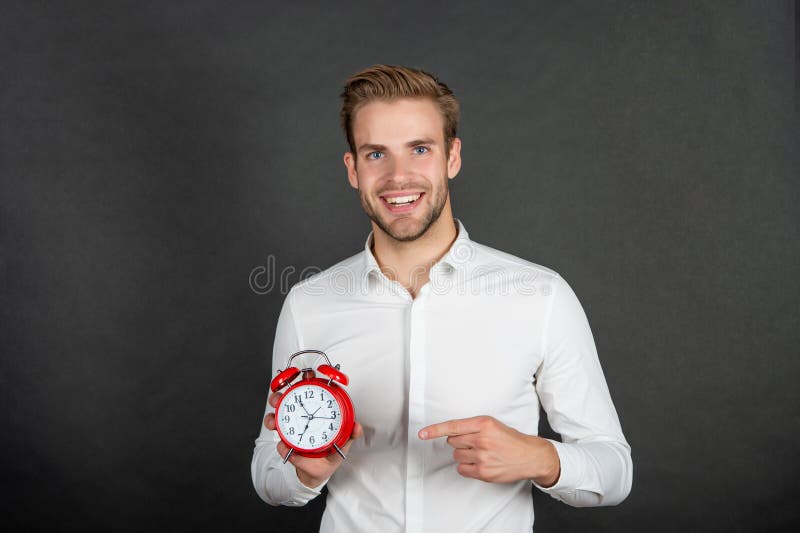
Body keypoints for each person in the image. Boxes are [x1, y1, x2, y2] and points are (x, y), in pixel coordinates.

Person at [251, 64, 632, 532]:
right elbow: (268, 471)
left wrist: (539, 457)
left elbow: (614, 470)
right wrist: (303, 474)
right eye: (375, 154)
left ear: (452, 157)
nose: (398, 176)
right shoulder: (309, 303)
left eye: (419, 149)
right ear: (353, 169)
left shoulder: (541, 296)